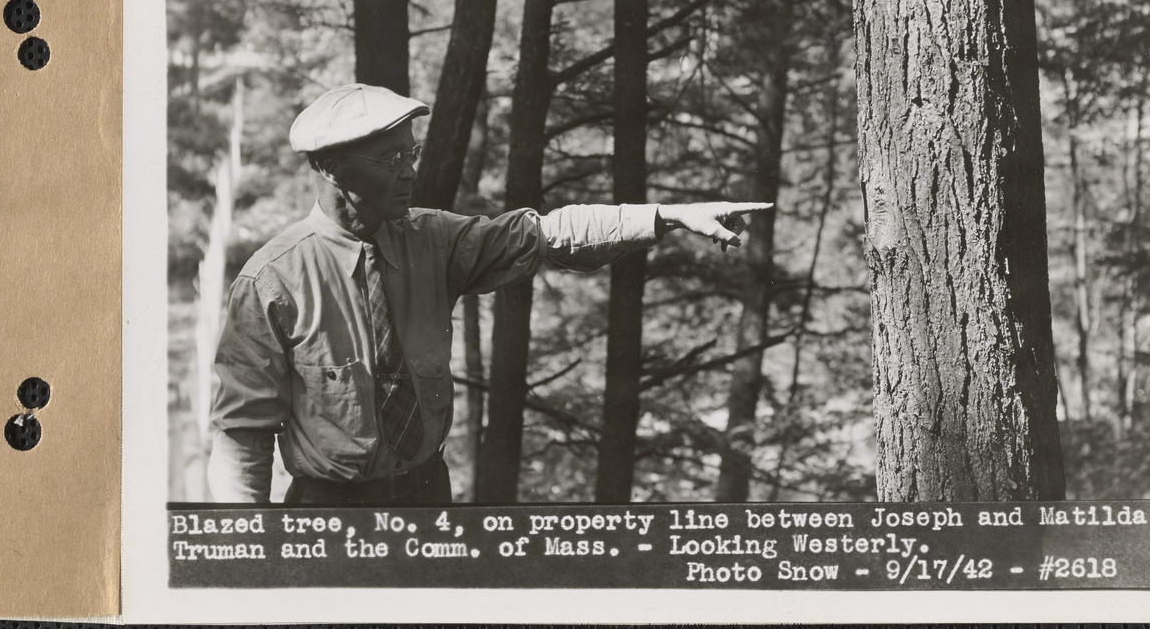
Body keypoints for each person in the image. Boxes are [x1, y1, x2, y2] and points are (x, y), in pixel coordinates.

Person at [207, 83, 769, 505]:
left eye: (413, 154)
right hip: (330, 514)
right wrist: (246, 552)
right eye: (390, 159)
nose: (409, 172)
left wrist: (665, 215)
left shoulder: (435, 241)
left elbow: (550, 234)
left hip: (429, 499)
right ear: (330, 167)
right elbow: (242, 433)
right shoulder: (272, 281)